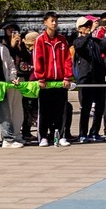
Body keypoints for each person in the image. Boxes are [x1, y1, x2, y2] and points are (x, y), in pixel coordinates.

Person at [32, 11, 72, 146]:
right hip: (46, 82)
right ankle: (43, 136)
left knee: (60, 110)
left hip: (60, 81)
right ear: (45, 22)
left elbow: (67, 59)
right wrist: (41, 78)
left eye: (56, 21)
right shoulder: (40, 40)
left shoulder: (62, 40)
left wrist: (67, 77)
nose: (54, 23)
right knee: (44, 111)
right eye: (51, 21)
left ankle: (60, 135)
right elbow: (37, 60)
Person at [72, 16, 106, 143]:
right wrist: (90, 32)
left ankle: (95, 132)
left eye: (90, 25)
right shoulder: (78, 41)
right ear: (80, 28)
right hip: (85, 78)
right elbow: (80, 47)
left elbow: (105, 45)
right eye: (86, 26)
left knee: (100, 107)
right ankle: (83, 133)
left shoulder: (95, 41)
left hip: (98, 77)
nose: (88, 27)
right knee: (85, 107)